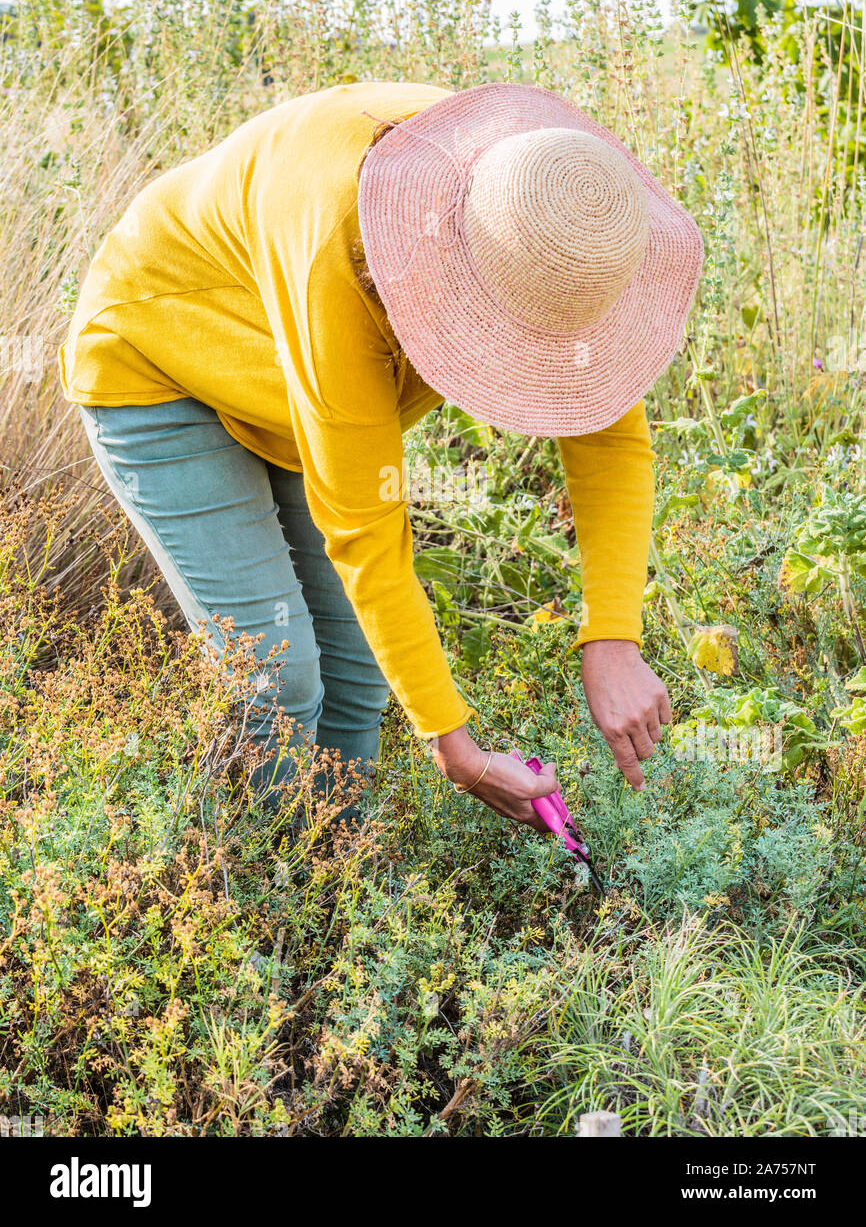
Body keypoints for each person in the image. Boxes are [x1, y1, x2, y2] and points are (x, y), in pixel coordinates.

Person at [58, 80, 703, 826]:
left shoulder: (554, 218)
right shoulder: (340, 241)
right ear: (449, 276)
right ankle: (252, 901)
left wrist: (614, 636)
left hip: (293, 376)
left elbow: (611, 440)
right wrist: (457, 752)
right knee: (279, 676)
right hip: (160, 361)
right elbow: (364, 528)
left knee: (358, 670)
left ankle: (338, 884)